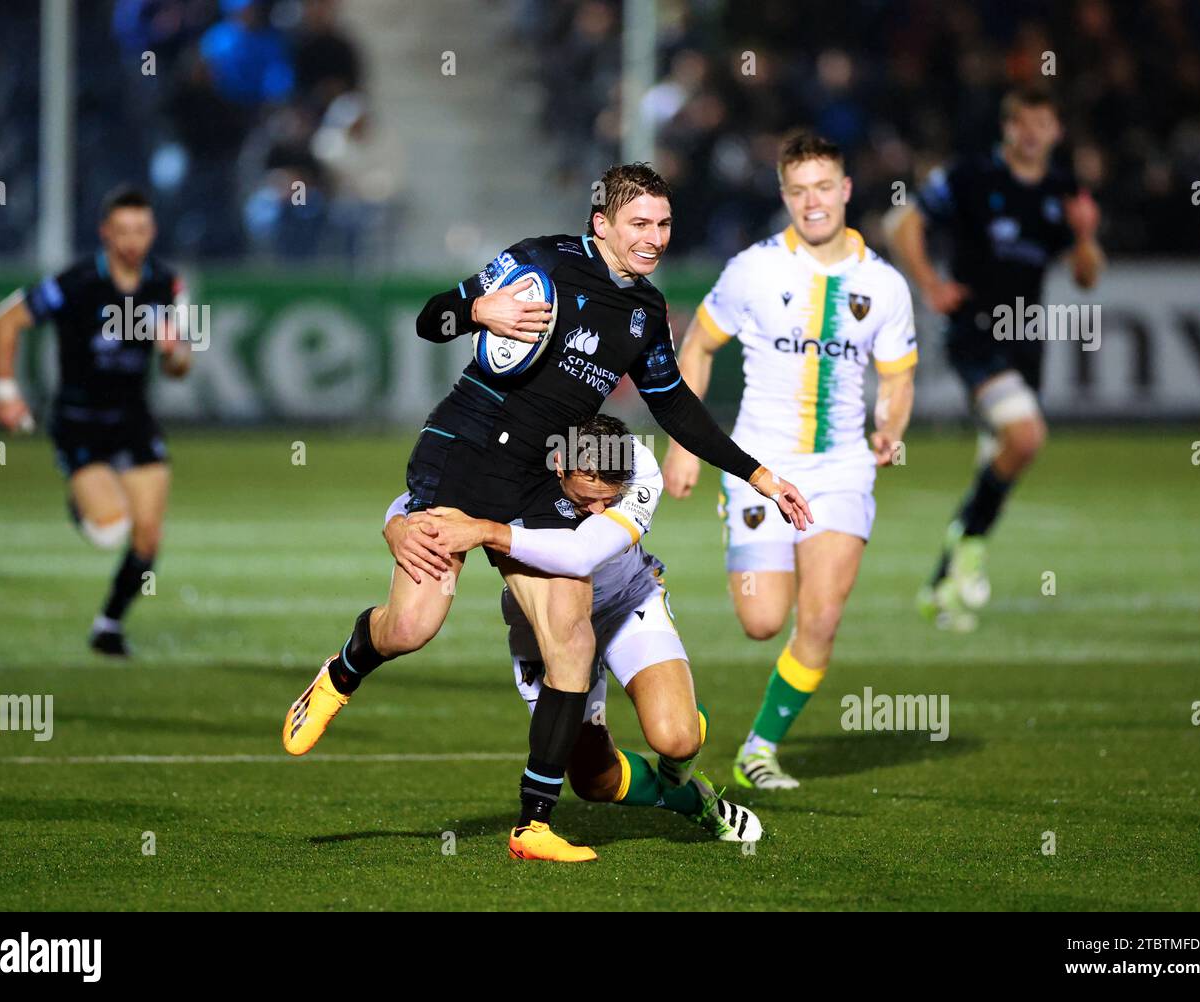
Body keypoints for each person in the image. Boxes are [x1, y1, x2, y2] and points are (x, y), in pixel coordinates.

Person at [283, 163, 810, 861]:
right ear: (603, 224)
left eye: (663, 224)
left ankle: (532, 824)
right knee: (412, 627)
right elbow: (430, 316)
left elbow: (674, 403)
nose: (654, 238)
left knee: (573, 639)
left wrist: (757, 472)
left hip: (536, 479)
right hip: (462, 455)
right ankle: (343, 671)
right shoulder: (539, 263)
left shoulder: (645, 312)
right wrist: (476, 310)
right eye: (640, 224)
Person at [662, 131, 918, 790]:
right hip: (759, 465)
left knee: (823, 616)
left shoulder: (883, 285)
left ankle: (759, 751)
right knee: (761, 621)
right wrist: (684, 444)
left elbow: (896, 379)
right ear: (785, 195)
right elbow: (695, 348)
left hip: (840, 467)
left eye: (824, 188)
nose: (813, 202)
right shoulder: (754, 269)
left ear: (846, 191)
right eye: (799, 190)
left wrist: (890, 428)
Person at [388, 415, 762, 848]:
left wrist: (488, 531)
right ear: (560, 463)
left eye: (610, 499)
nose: (600, 511)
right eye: (588, 498)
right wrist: (397, 525)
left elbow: (581, 555)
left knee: (677, 740)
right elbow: (424, 493)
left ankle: (685, 770)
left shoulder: (638, 467)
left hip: (626, 602)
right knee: (594, 782)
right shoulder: (516, 462)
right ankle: (686, 798)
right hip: (545, 626)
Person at [887, 85, 1104, 631]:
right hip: (974, 334)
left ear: (1056, 131)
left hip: (1026, 340)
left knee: (1002, 458)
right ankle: (971, 554)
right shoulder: (971, 177)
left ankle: (944, 582)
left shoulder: (1062, 190)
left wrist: (1084, 236)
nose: (1032, 133)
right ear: (1007, 128)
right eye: (1023, 122)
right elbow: (902, 223)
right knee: (1026, 436)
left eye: (1043, 123)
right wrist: (931, 283)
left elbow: (1086, 275)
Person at [0, 185, 194, 656]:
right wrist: (5, 393)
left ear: (152, 231)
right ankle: (84, 507)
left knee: (148, 535)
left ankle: (109, 625)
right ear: (105, 232)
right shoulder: (76, 282)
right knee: (110, 530)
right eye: (122, 230)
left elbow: (180, 367)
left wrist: (175, 351)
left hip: (134, 420)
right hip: (80, 421)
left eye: (140, 230)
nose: (132, 240)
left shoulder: (166, 283)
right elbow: (5, 322)